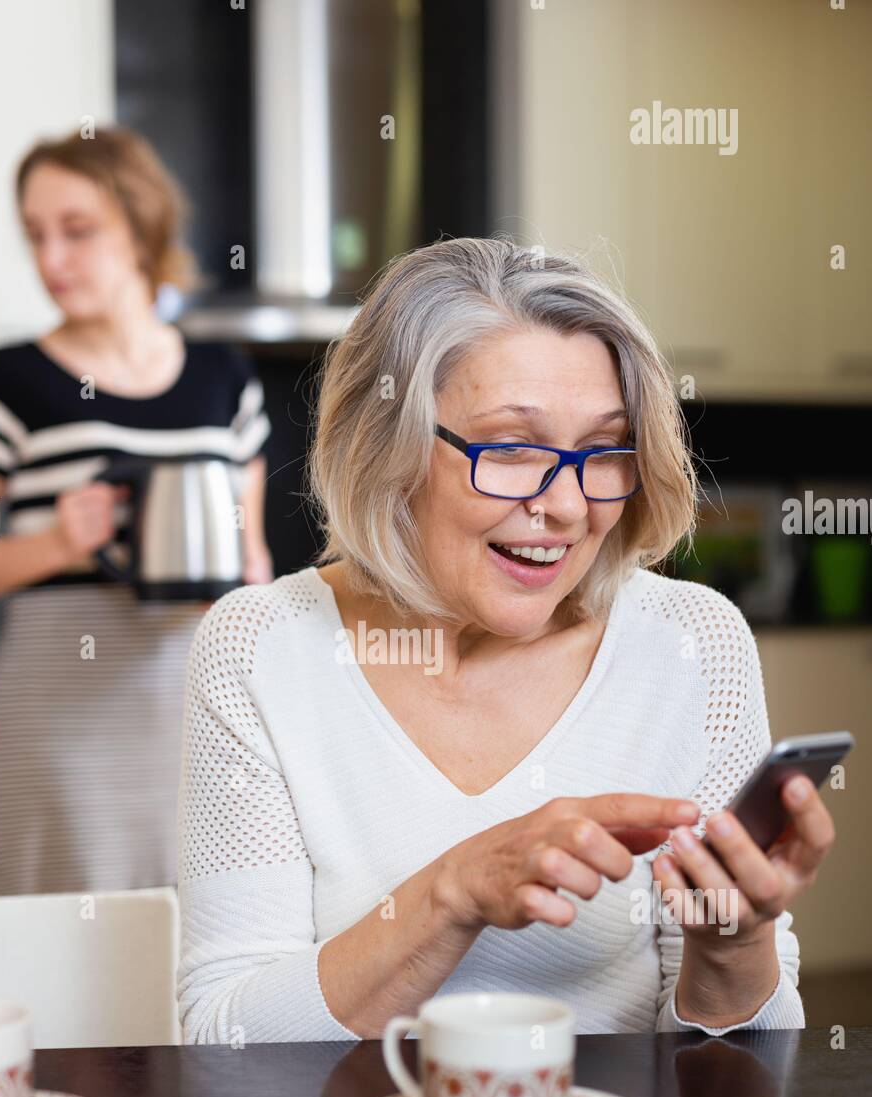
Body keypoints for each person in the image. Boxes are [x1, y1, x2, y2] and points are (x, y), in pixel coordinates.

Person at [176, 235, 834, 1043]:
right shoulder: (259, 647)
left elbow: (744, 1074)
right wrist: (452, 893)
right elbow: (222, 1039)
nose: (564, 507)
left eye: (601, 451)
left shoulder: (693, 644)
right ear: (391, 447)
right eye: (515, 450)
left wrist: (734, 945)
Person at [0, 127, 272, 895]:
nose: (52, 260)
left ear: (141, 225)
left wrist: (245, 575)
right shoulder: (5, 382)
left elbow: (253, 555)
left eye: (77, 231)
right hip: (58, 711)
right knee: (65, 946)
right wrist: (57, 542)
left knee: (205, 931)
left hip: (198, 702)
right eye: (36, 236)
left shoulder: (225, 380)